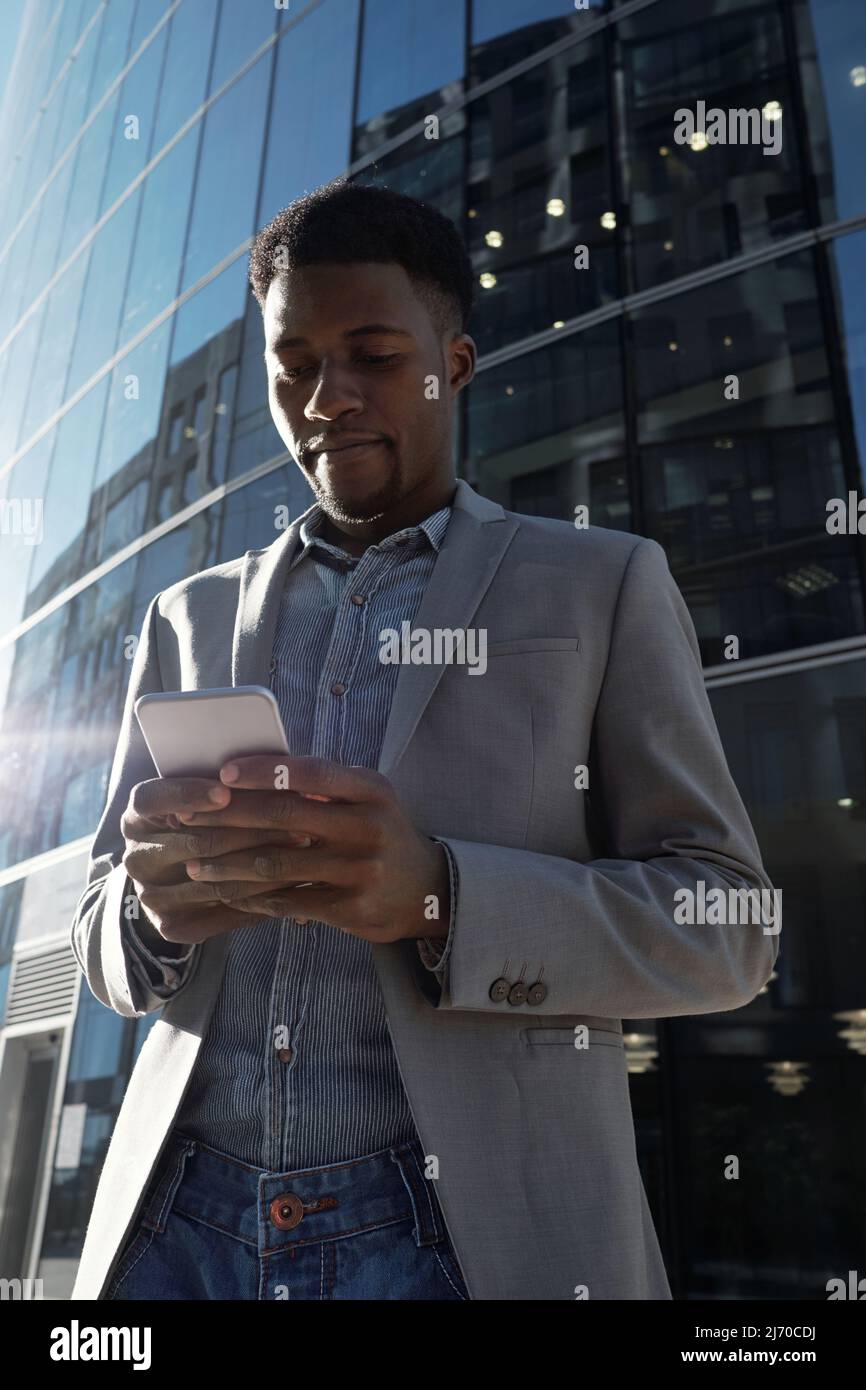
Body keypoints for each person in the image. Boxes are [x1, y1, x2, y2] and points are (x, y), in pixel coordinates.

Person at [71, 178, 778, 1301]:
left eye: (371, 356)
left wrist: (443, 896)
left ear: (453, 362)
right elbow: (100, 937)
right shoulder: (184, 616)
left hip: (462, 1237)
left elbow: (728, 928)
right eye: (293, 364)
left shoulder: (603, 582)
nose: (326, 398)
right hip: (176, 1230)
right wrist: (150, 915)